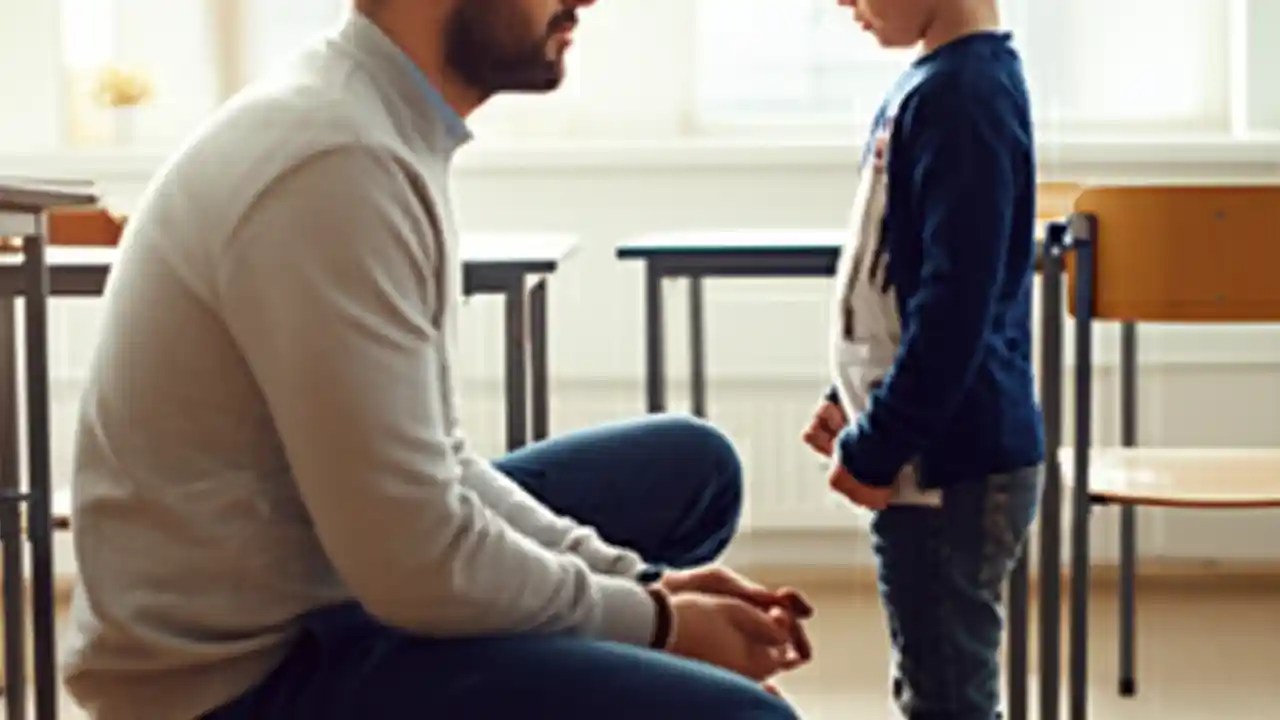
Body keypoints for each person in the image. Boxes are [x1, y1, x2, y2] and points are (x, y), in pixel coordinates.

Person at [60, 1, 812, 718]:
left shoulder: (375, 122)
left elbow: (439, 466)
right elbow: (417, 563)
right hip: (240, 678)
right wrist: (661, 628)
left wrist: (648, 587)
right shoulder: (335, 162)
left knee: (690, 469)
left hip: (332, 584)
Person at [802, 0, 1045, 717]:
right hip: (930, 452)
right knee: (931, 673)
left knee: (946, 692)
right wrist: (847, 395)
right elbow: (892, 281)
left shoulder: (966, 97)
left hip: (951, 465)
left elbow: (955, 307)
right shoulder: (938, 83)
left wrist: (879, 442)